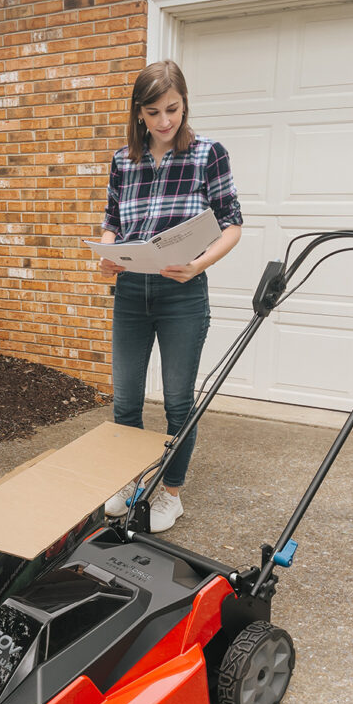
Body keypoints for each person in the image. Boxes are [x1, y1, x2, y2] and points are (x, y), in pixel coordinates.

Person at [98, 59, 242, 532]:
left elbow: (231, 224)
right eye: (154, 112)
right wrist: (108, 252)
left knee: (179, 401)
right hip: (131, 291)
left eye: (173, 109)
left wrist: (198, 264)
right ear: (139, 112)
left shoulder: (207, 154)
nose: (164, 121)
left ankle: (170, 493)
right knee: (126, 401)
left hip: (183, 292)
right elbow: (113, 221)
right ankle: (128, 480)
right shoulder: (124, 160)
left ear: (184, 104)